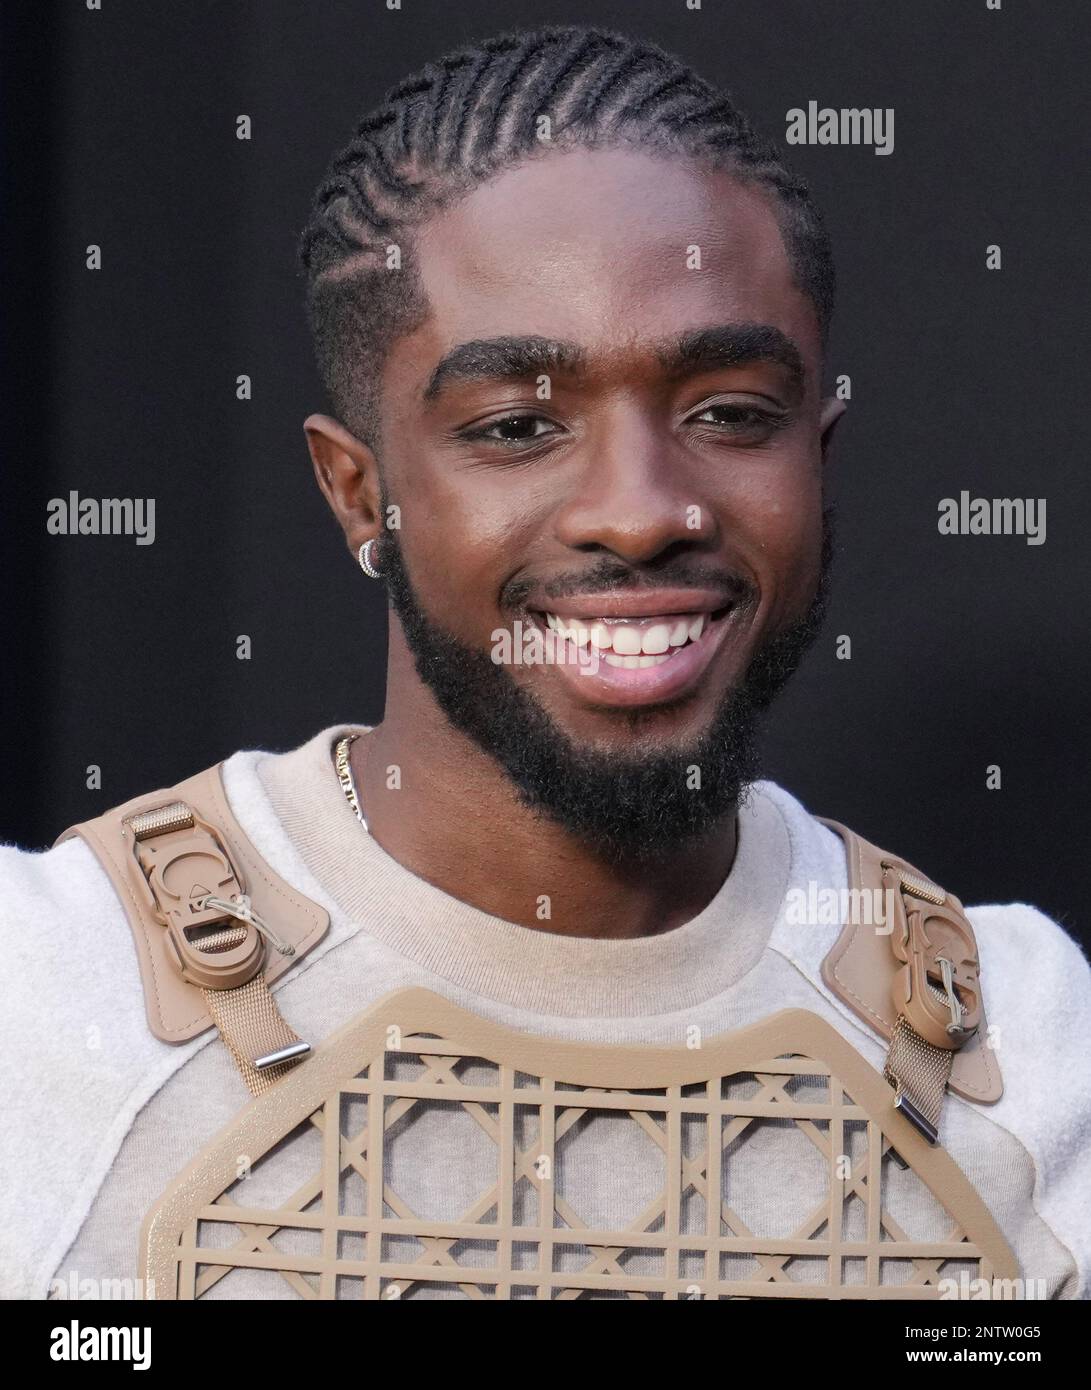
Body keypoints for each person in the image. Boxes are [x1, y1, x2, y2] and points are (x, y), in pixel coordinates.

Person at [3, 23, 1088, 1302]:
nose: (639, 513)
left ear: (818, 457)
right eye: (517, 426)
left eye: (729, 414)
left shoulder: (1025, 1042)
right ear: (356, 493)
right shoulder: (46, 993)